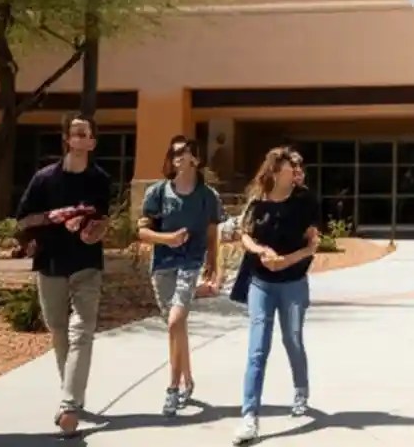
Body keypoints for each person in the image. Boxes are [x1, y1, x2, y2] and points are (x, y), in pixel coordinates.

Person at [14, 113, 113, 435]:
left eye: (88, 134)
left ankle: (69, 404)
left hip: (86, 264)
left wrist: (94, 230)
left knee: (82, 332)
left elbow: (101, 220)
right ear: (67, 139)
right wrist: (53, 217)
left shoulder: (100, 180)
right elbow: (22, 220)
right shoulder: (44, 179)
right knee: (58, 330)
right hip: (50, 263)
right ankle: (70, 393)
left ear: (93, 142)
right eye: (77, 133)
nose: (83, 138)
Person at [233, 147, 320, 445]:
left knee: (292, 339)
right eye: (287, 166)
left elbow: (312, 246)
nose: (293, 171)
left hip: (293, 281)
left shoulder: (305, 202)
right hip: (261, 283)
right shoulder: (257, 203)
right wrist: (261, 251)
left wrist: (287, 260)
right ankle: (249, 417)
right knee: (257, 349)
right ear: (275, 171)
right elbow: (245, 235)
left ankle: (301, 389)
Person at [136, 137, 224, 416]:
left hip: (190, 262)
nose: (176, 157)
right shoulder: (157, 193)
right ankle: (188, 380)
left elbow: (212, 233)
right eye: (173, 152)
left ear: (195, 159)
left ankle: (172, 389)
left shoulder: (207, 196)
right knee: (177, 326)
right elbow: (142, 232)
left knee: (175, 320)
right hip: (163, 264)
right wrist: (167, 238)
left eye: (182, 152)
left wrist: (213, 263)